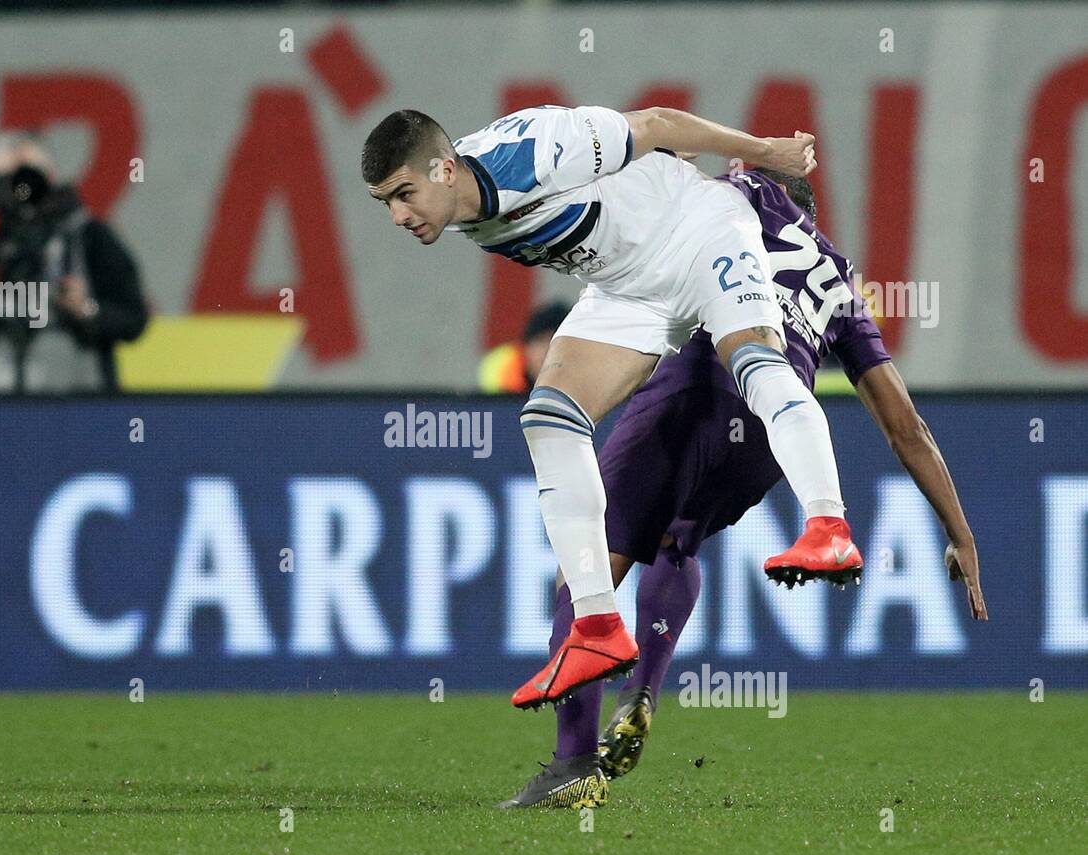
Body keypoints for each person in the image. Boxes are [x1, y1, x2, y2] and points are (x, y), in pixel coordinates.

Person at [496, 169, 989, 809]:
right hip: (770, 432)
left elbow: (666, 172)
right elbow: (907, 428)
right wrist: (962, 533)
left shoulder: (739, 196)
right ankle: (643, 687)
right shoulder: (839, 285)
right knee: (679, 540)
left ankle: (573, 767)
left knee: (585, 571)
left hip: (692, 389)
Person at [362, 105, 859, 711]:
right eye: (385, 202)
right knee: (548, 419)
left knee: (752, 361)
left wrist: (765, 150)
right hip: (629, 289)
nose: (397, 215)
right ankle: (596, 627)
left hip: (700, 235)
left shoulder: (534, 151)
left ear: (444, 169)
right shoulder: (459, 199)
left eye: (404, 194)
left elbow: (654, 123)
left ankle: (828, 526)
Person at [0, 133, 149, 394]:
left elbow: (134, 319)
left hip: (82, 406)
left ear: (49, 179)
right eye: (6, 180)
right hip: (8, 411)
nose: (19, 192)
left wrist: (87, 309)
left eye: (28, 179)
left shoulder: (88, 236)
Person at [478, 301, 570, 393]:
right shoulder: (497, 398)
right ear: (525, 349)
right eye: (539, 341)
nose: (547, 350)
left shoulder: (583, 399)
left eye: (555, 340)